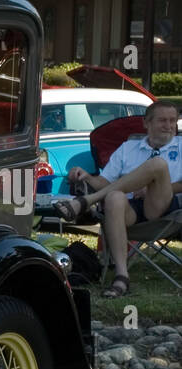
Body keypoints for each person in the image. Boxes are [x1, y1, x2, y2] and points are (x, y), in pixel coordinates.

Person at [56, 100, 182, 298]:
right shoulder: (128, 148)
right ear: (146, 123)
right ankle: (122, 276)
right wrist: (87, 177)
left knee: (157, 164)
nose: (169, 126)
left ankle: (87, 201)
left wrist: (152, 188)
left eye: (173, 121)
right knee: (114, 196)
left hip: (166, 208)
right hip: (130, 210)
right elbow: (105, 181)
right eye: (162, 120)